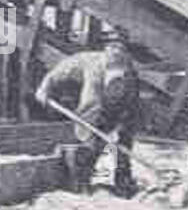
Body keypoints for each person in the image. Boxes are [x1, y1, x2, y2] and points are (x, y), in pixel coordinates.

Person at [35, 28, 141, 196]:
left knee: (123, 147)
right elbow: (58, 73)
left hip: (118, 111)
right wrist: (44, 88)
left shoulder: (130, 72)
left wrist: (122, 127)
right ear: (106, 48)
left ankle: (123, 184)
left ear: (126, 52)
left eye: (121, 48)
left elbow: (132, 104)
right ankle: (80, 185)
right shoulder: (87, 60)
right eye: (112, 47)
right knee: (90, 146)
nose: (116, 51)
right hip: (91, 112)